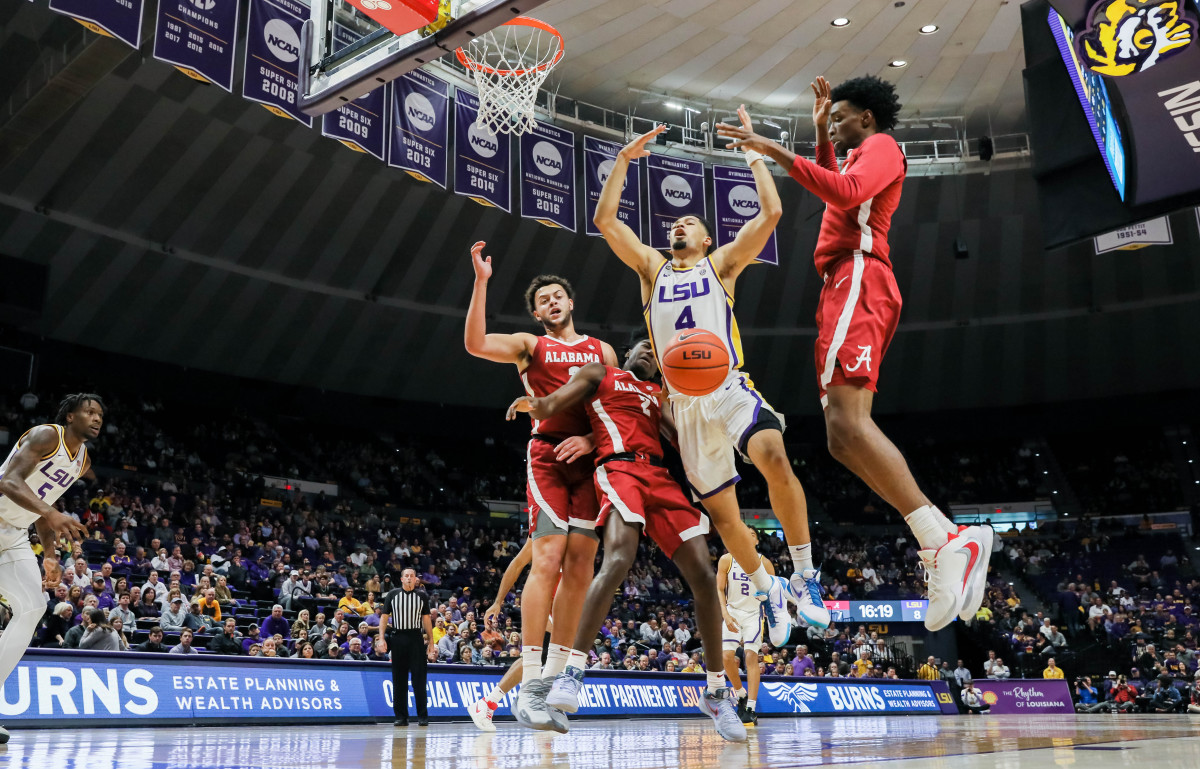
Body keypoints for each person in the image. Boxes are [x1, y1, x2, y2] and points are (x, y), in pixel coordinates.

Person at [715, 77, 993, 631]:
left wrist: (774, 150)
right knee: (841, 439)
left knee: (848, 422)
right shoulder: (856, 153)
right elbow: (837, 186)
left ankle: (945, 542)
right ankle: (943, 540)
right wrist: (818, 134)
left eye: (840, 118)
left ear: (867, 117)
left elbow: (843, 194)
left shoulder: (883, 147)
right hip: (844, 283)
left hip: (860, 277)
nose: (836, 126)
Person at [593, 120, 828, 645]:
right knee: (725, 518)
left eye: (689, 223)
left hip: (727, 386)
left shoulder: (721, 266)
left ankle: (805, 575)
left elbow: (771, 212)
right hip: (683, 406)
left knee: (772, 452)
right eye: (674, 223)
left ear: (706, 238)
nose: (678, 227)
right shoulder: (653, 271)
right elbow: (606, 220)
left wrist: (753, 157)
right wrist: (625, 161)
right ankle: (766, 587)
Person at [510, 339, 746, 742]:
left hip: (660, 478)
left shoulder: (659, 395)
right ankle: (573, 674)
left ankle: (716, 691)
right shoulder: (602, 373)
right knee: (618, 559)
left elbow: (683, 440)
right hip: (618, 470)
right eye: (643, 347)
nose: (649, 354)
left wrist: (727, 426)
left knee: (705, 578)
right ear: (627, 352)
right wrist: (536, 405)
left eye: (656, 353)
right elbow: (555, 404)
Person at [464, 242, 619, 730]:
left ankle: (547, 685)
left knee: (580, 566)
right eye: (543, 299)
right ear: (537, 312)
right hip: (548, 456)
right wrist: (482, 282)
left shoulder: (603, 351)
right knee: (548, 555)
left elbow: (622, 411)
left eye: (559, 296)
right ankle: (529, 681)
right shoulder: (531, 346)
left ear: (571, 304)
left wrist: (592, 436)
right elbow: (474, 344)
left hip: (592, 460)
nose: (553, 302)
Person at [0, 394, 97, 743]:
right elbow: (8, 481)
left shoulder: (81, 457)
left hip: (11, 535)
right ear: (70, 415)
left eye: (100, 413)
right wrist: (54, 517)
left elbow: (46, 503)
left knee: (32, 607)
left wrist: (51, 555)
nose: (97, 417)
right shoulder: (46, 436)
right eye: (89, 411)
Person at [715, 547, 767, 727]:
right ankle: (741, 695)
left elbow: (774, 592)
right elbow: (720, 589)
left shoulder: (764, 562)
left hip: (754, 614)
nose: (747, 537)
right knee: (727, 657)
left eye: (752, 534)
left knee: (751, 656)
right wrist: (725, 614)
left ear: (755, 540)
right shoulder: (726, 560)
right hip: (733, 612)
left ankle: (751, 708)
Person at [380, 568, 435, 726]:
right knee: (399, 680)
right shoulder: (392, 594)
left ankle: (422, 716)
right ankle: (401, 717)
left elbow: (426, 620)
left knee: (419, 679)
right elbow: (384, 618)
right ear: (402, 579)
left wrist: (431, 642)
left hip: (416, 638)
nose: (409, 578)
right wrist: (381, 638)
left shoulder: (422, 595)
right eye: (407, 576)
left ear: (416, 579)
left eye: (412, 576)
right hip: (397, 638)